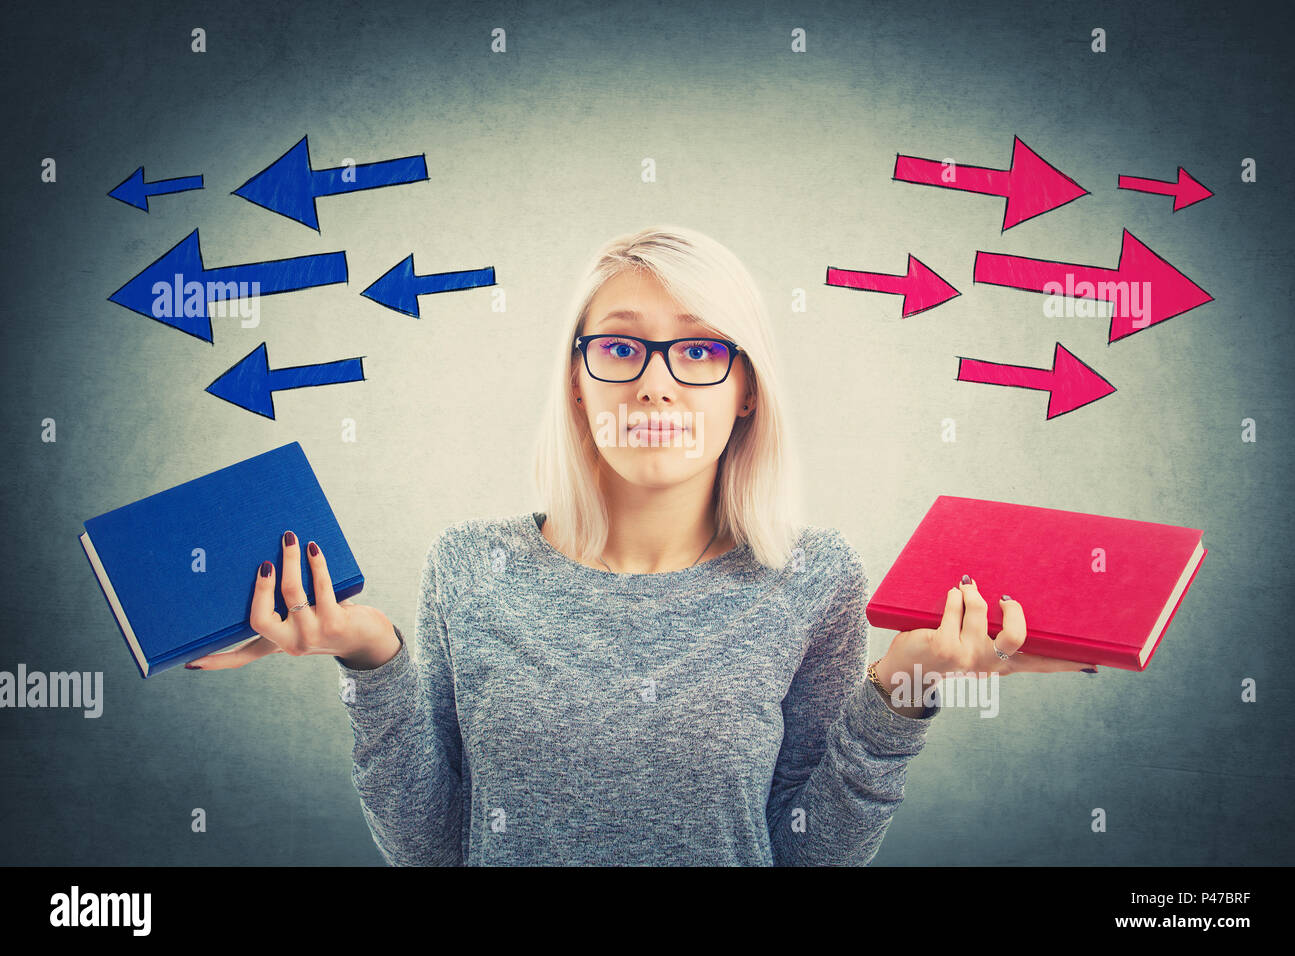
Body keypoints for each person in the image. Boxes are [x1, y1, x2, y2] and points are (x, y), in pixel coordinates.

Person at [186, 225, 1100, 865]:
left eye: (700, 352)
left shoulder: (812, 577)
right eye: (620, 350)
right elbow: (437, 850)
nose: (656, 387)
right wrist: (371, 657)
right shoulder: (469, 568)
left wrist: (906, 691)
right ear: (577, 384)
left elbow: (803, 855)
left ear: (746, 389)